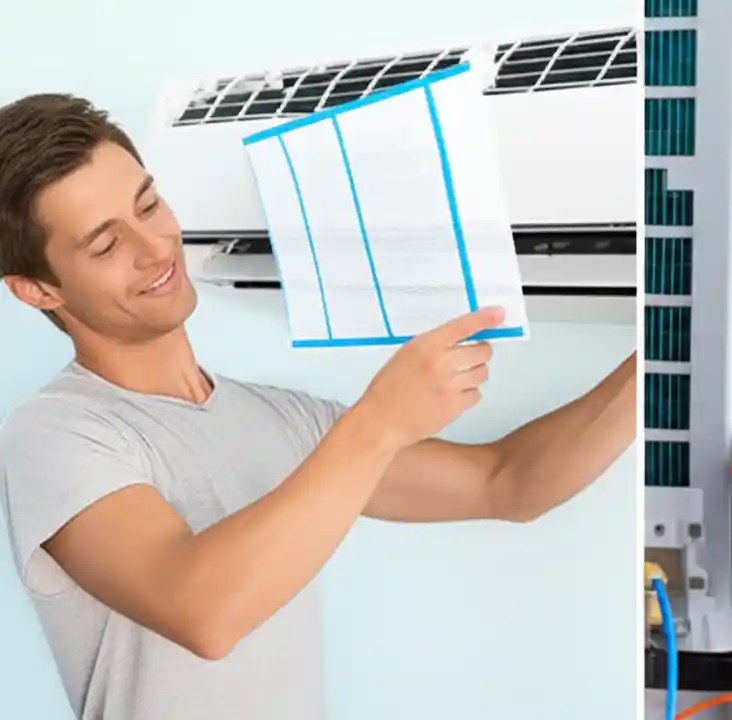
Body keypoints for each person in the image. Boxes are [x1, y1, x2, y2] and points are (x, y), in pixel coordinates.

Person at [0, 93, 636, 720]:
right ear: (37, 289)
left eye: (149, 205)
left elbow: (509, 483)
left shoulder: (282, 422)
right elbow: (204, 613)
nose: (155, 247)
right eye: (107, 246)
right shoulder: (57, 434)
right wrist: (381, 420)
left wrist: (671, 343)